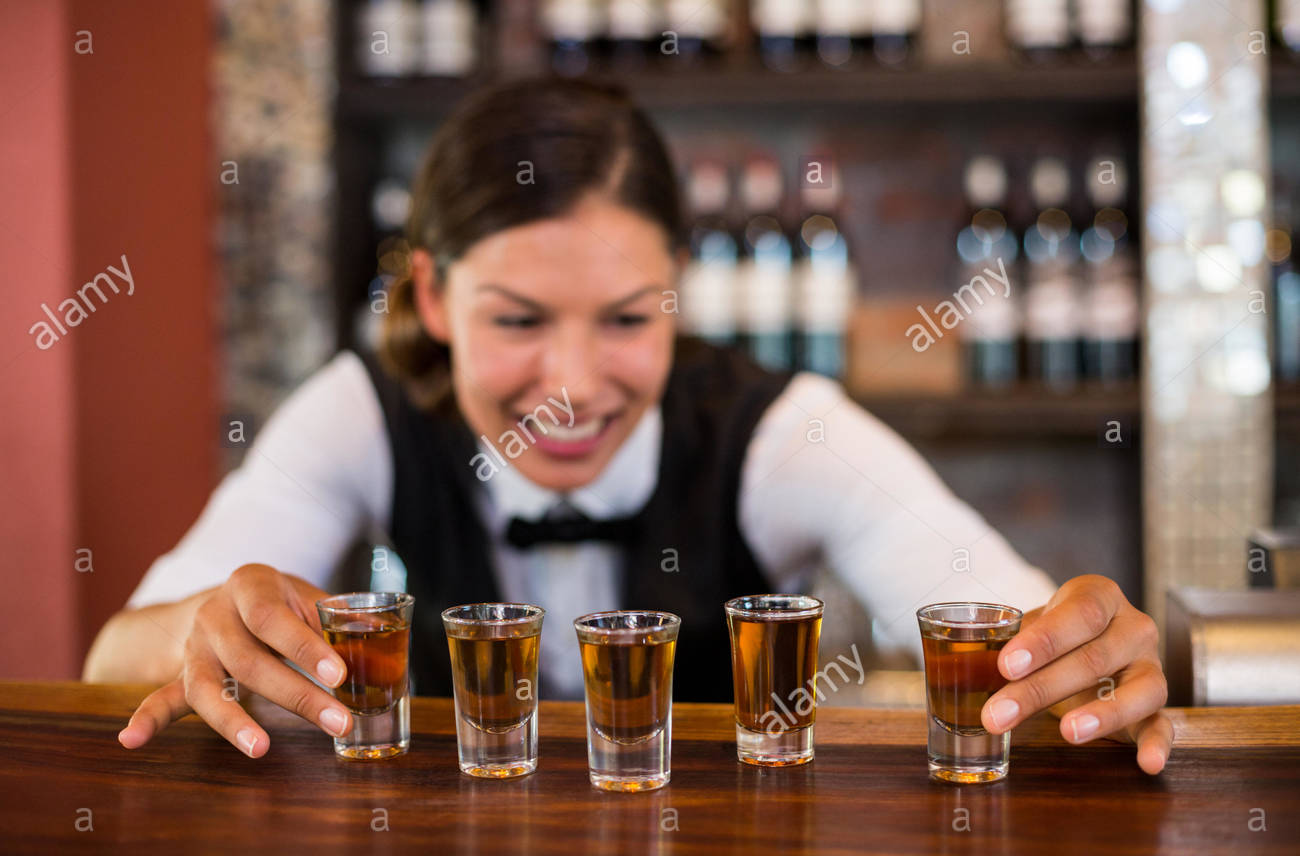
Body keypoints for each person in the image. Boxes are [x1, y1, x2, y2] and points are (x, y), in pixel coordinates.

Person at [87, 78, 1172, 774]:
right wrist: (197, 635)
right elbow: (110, 661)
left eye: (624, 318)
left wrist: (1083, 655)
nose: (570, 382)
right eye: (515, 319)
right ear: (431, 299)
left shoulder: (779, 427)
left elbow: (1019, 630)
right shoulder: (361, 410)